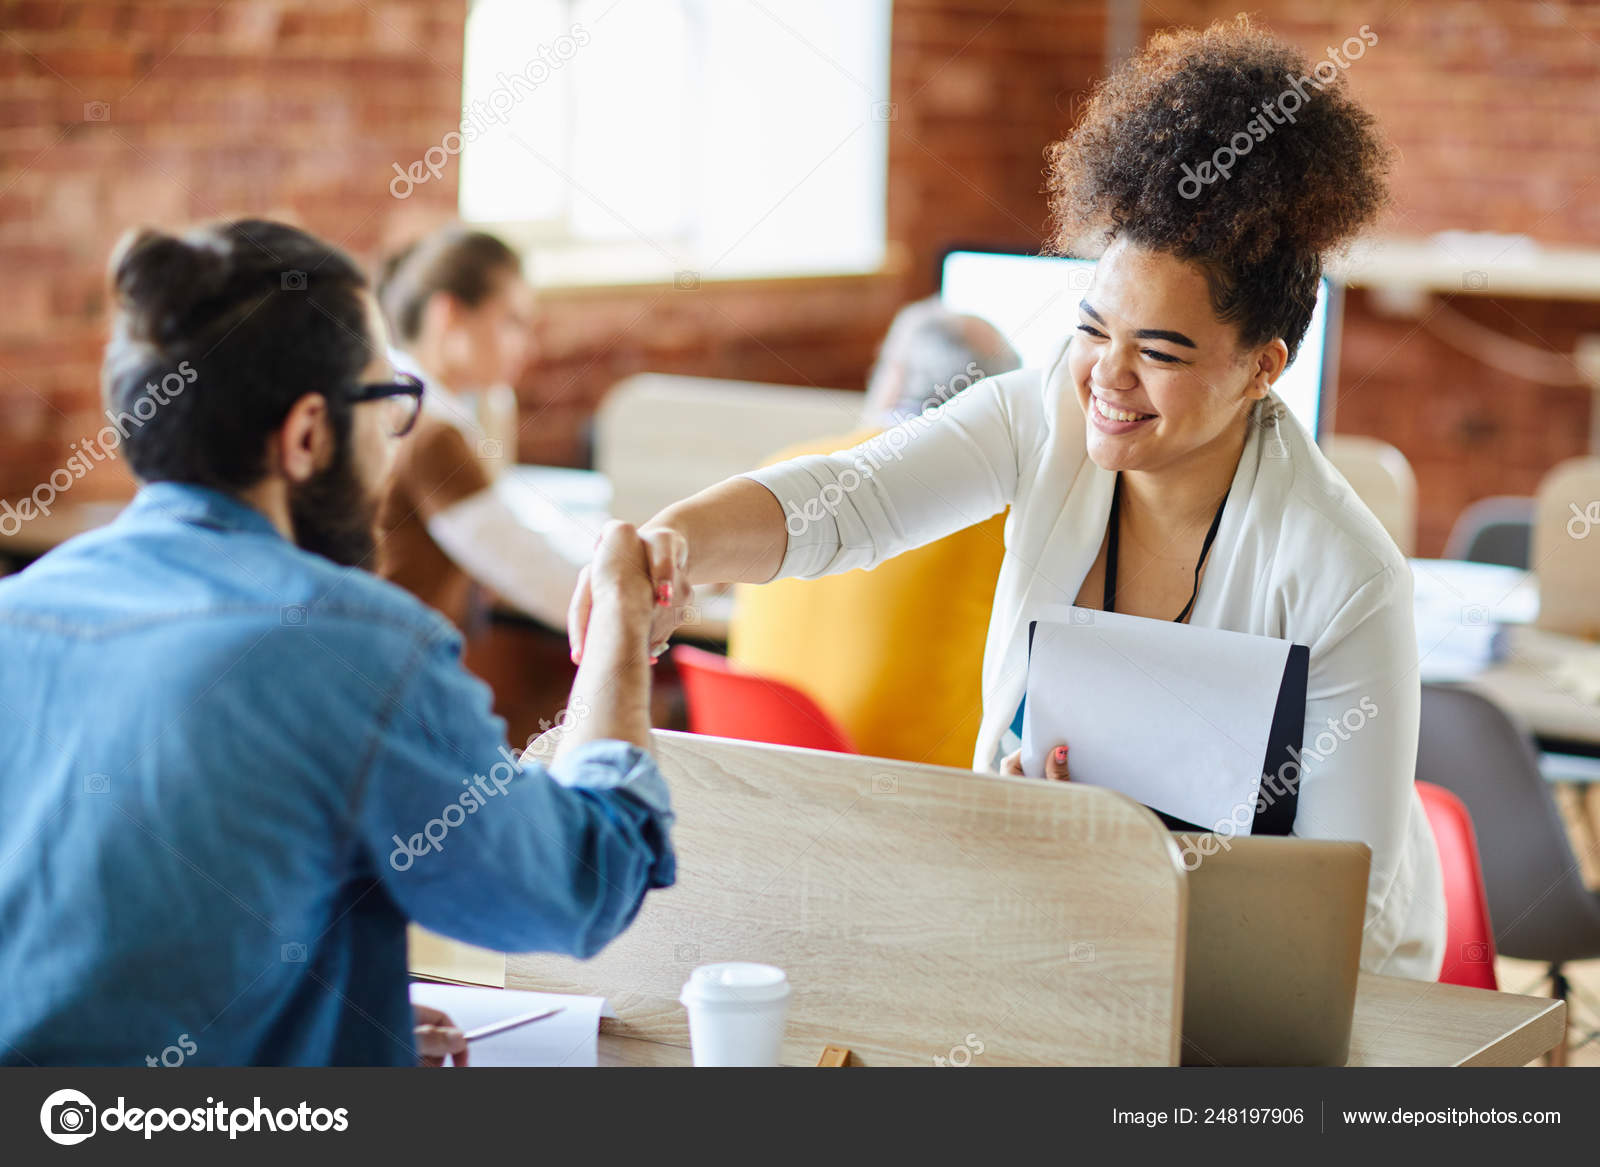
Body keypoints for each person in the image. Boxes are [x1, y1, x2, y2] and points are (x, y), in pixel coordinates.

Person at [569, 19, 1444, 979]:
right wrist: (673, 539)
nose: (1107, 377)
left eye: (1159, 351)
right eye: (1091, 327)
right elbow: (845, 502)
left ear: (1263, 366)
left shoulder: (1344, 574)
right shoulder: (1045, 419)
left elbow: (1341, 919)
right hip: (1066, 938)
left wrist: (1110, 855)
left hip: (1284, 989)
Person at [0, 219, 674, 1065]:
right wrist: (620, 611)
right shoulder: (355, 649)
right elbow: (576, 884)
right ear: (310, 433)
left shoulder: (17, 613)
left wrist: (345, 1014)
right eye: (384, 400)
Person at [728, 299, 1021, 767]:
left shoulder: (779, 470)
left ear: (896, 376)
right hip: (911, 793)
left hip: (751, 771)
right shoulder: (1007, 507)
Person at [375, 226, 583, 631]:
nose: (528, 346)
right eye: (511, 322)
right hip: (400, 673)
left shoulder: (393, 397)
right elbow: (546, 583)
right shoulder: (432, 435)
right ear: (448, 314)